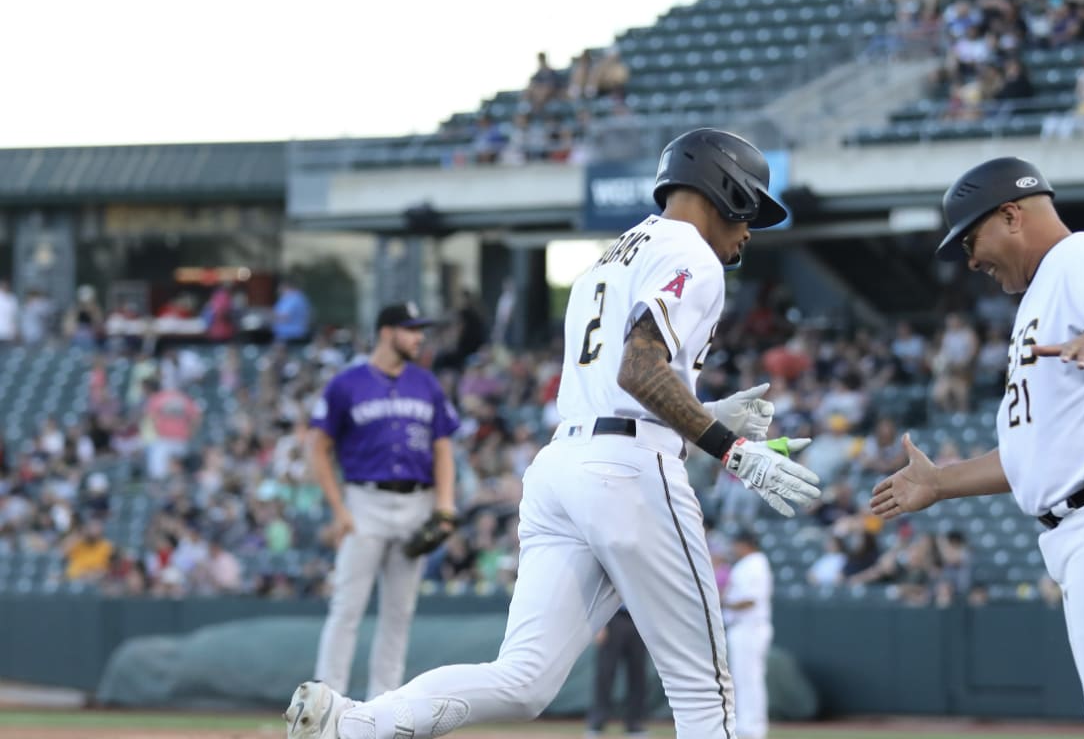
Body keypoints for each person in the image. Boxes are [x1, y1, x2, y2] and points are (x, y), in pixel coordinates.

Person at [284, 128, 821, 739]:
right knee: (705, 692)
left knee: (521, 681)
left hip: (563, 465)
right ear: (725, 190)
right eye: (750, 207)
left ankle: (351, 725)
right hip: (627, 473)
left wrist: (711, 412)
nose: (750, 229)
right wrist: (734, 451)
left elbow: (618, 385)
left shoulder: (609, 254)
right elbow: (639, 370)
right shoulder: (692, 254)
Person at [870, 157, 1084, 738]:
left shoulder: (1083, 254)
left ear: (1010, 215)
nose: (970, 259)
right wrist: (941, 483)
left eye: (971, 239)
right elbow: (1037, 450)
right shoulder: (1039, 296)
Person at [307, 302, 460, 701]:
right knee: (347, 609)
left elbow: (443, 448)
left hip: (417, 502)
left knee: (399, 615)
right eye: (411, 329)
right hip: (364, 502)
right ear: (387, 332)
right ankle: (327, 708)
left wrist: (444, 505)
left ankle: (383, 709)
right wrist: (338, 509)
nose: (419, 337)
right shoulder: (347, 384)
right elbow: (317, 446)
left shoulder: (426, 384)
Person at [722, 531, 773, 739]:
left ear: (746, 544)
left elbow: (751, 600)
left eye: (737, 544)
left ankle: (754, 727)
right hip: (741, 627)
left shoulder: (756, 563)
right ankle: (746, 724)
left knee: (750, 679)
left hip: (751, 627)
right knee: (743, 679)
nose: (734, 548)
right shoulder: (746, 564)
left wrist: (723, 602)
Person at [586, 606, 651, 737]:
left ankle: (634, 723)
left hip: (640, 618)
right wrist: (599, 624)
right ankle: (597, 722)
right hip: (613, 618)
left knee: (638, 675)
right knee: (605, 673)